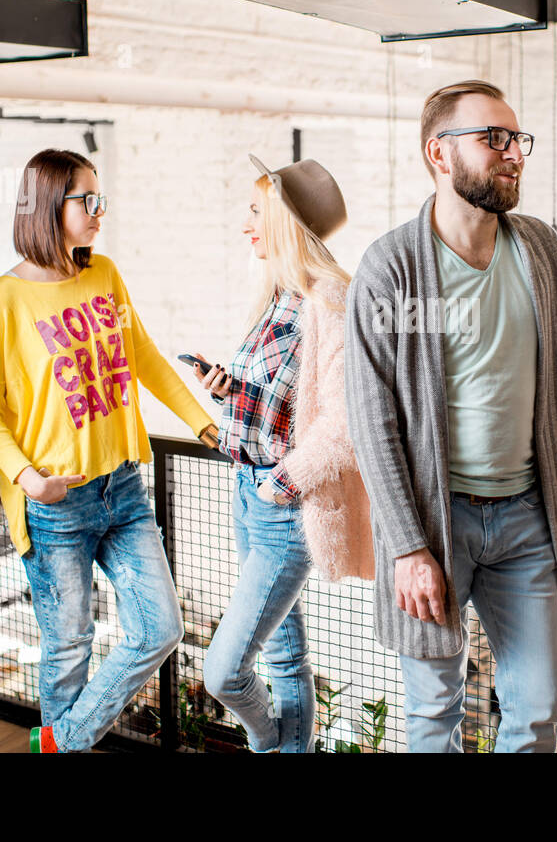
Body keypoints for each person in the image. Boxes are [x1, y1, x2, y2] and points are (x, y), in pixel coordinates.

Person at [345, 80, 557, 753]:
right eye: (493, 139)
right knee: (435, 709)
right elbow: (371, 419)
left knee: (540, 703)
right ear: (439, 152)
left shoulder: (541, 250)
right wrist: (407, 548)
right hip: (436, 522)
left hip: (527, 517)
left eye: (516, 139)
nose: (512, 153)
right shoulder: (391, 267)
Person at [0, 148, 218, 753]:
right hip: (55, 504)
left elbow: (144, 356)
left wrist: (204, 425)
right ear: (51, 205)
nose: (100, 212)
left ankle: (60, 741)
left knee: (160, 628)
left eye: (100, 199)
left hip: (123, 489)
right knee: (67, 650)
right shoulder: (3, 301)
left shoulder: (103, 272)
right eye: (89, 200)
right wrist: (29, 479)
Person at [197, 154, 372, 753]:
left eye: (255, 211)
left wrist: (284, 482)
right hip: (248, 493)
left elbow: (346, 425)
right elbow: (285, 398)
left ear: (283, 220)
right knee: (285, 654)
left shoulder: (331, 302)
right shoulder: (278, 294)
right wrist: (231, 388)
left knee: (222, 672)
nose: (247, 224)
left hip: (283, 507)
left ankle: (271, 746)